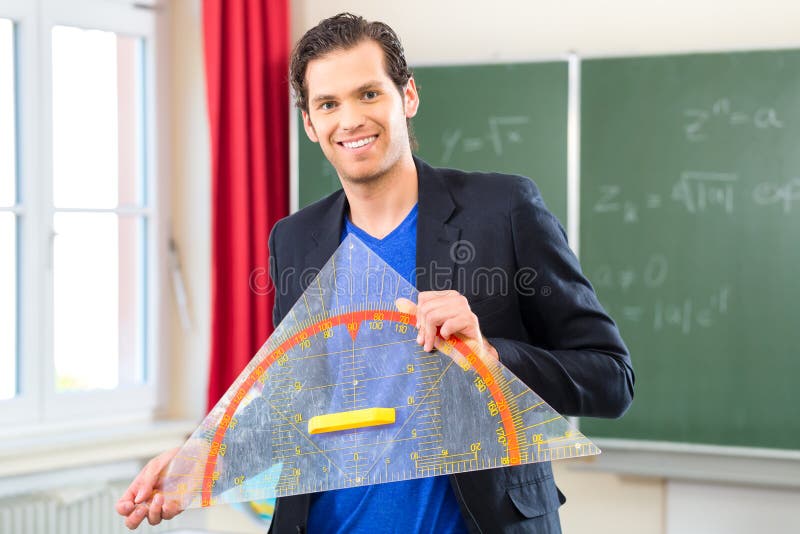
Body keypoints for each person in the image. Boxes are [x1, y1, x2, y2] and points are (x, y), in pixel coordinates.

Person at [117, 12, 634, 533]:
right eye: (328, 104)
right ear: (310, 123)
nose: (350, 120)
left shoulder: (502, 208)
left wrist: (491, 356)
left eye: (368, 94)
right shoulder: (294, 240)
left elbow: (612, 379)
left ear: (406, 96)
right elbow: (291, 407)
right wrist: (199, 462)